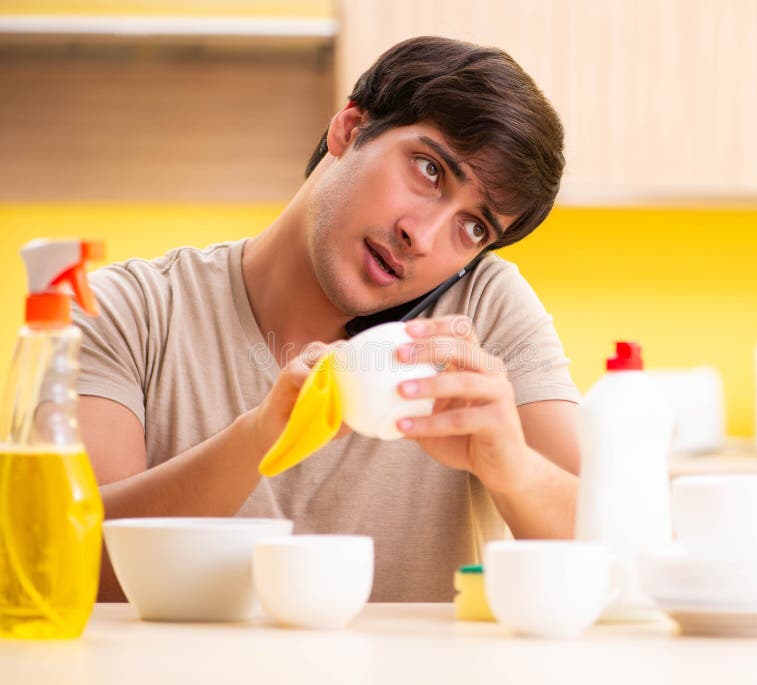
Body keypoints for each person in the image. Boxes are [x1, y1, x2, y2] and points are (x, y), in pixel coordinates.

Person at [75, 36, 582, 603]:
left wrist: (515, 470)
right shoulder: (126, 310)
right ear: (349, 127)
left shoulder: (484, 315)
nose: (424, 236)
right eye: (428, 169)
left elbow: (614, 556)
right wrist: (259, 437)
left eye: (473, 228)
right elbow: (67, 563)